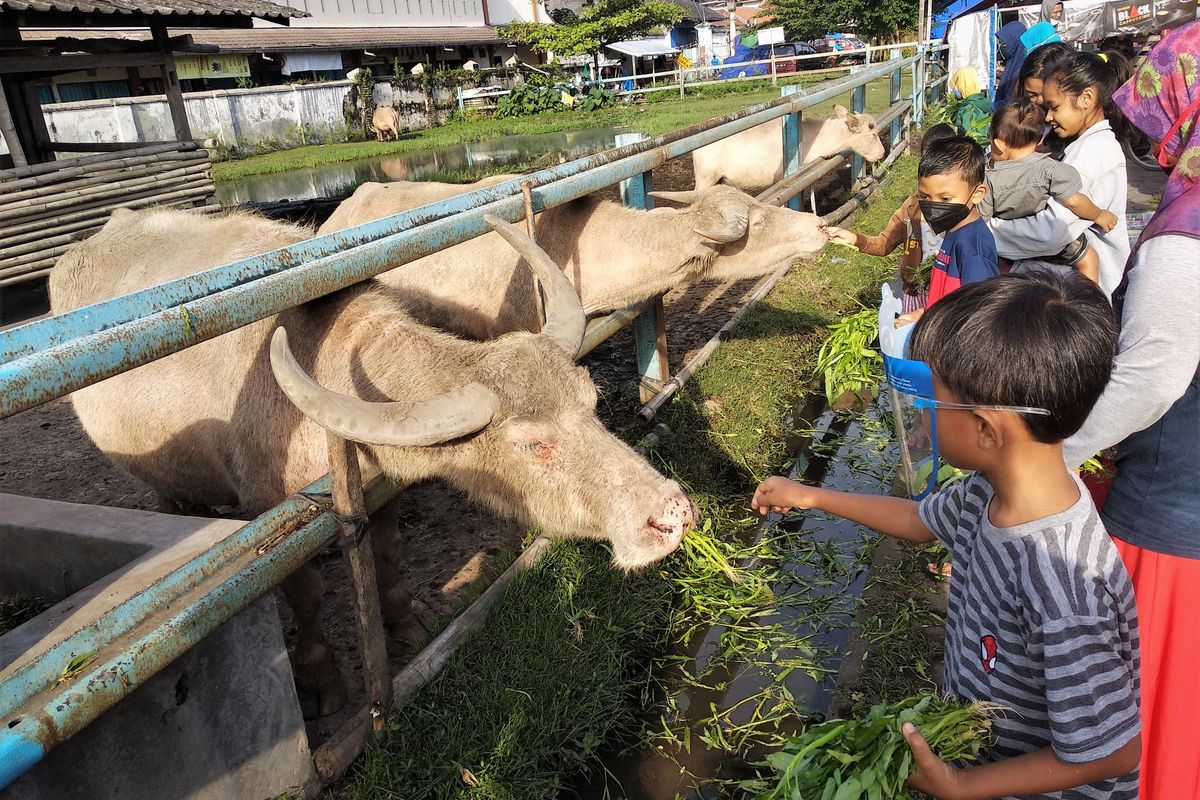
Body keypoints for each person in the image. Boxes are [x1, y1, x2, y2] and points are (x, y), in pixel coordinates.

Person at [752, 272, 1141, 800]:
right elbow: (918, 521)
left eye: (932, 403)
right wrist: (813, 496)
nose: (922, 415)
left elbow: (1112, 751)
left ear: (985, 428)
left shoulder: (1063, 588)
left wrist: (961, 786)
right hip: (991, 749)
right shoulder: (989, 490)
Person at [1061, 22, 1200, 798]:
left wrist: (1050, 454)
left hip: (1175, 532)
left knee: (1152, 727)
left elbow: (1153, 377)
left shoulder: (1188, 232)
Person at [987, 51, 1131, 296]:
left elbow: (1053, 231)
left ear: (1086, 98)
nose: (1049, 117)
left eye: (1054, 107)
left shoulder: (1093, 154)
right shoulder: (1083, 145)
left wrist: (985, 230)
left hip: (1082, 290)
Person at [982, 99, 1119, 284]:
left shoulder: (989, 179)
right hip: (1060, 246)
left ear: (998, 144)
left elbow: (983, 218)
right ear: (1039, 140)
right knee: (1090, 260)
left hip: (1009, 248)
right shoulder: (1051, 169)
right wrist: (1099, 215)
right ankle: (1090, 303)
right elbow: (1074, 201)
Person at [826, 123, 959, 312]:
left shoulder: (963, 212)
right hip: (915, 293)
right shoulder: (911, 208)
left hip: (950, 297)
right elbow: (885, 243)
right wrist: (855, 239)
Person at [895, 136, 997, 326]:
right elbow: (950, 301)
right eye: (925, 196)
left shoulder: (973, 250)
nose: (933, 207)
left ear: (977, 194)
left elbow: (978, 315)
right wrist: (924, 314)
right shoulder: (954, 229)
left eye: (945, 199)